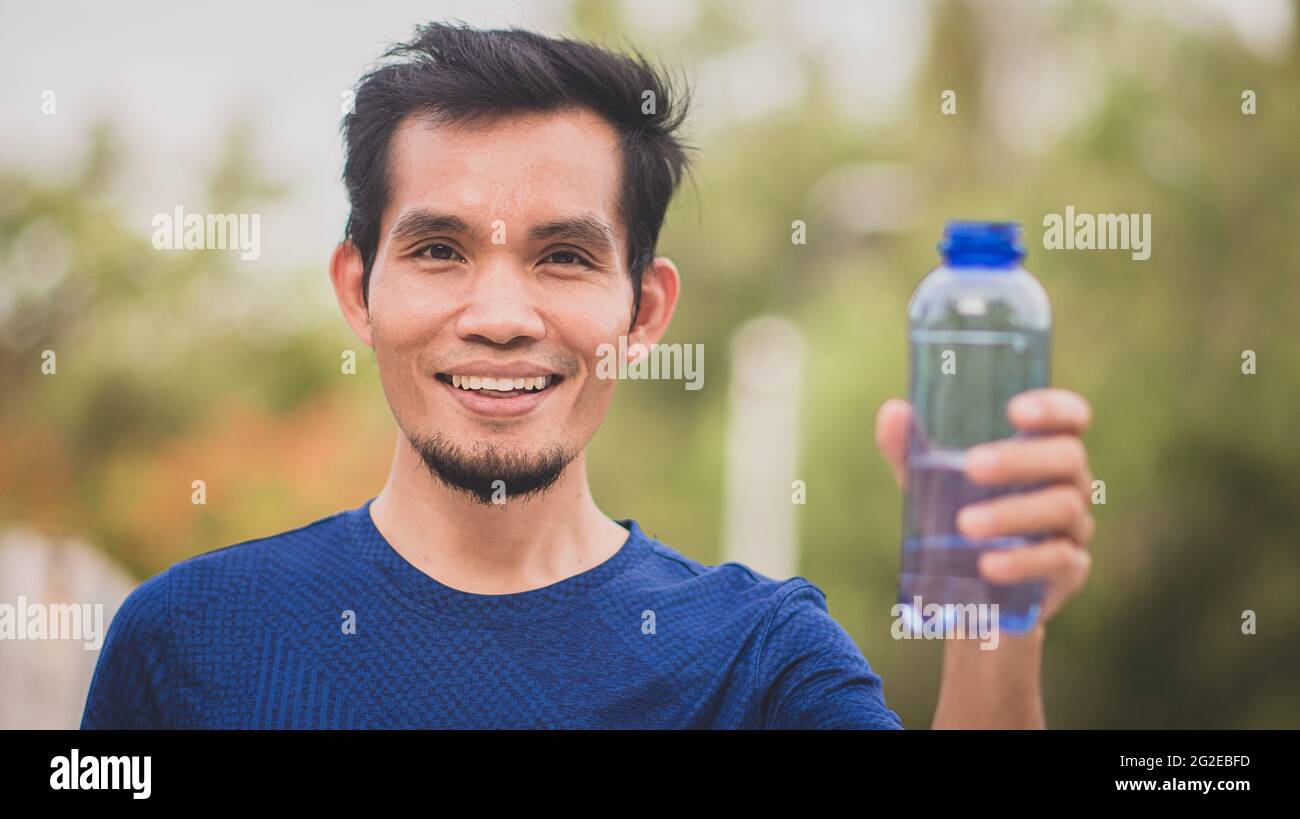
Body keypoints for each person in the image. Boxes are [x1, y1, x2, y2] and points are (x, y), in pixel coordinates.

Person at [81, 22, 1093, 730]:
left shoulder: (761, 663)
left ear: (644, 311)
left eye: (562, 256)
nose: (501, 318)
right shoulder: (186, 643)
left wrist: (990, 623)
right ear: (359, 288)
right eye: (438, 250)